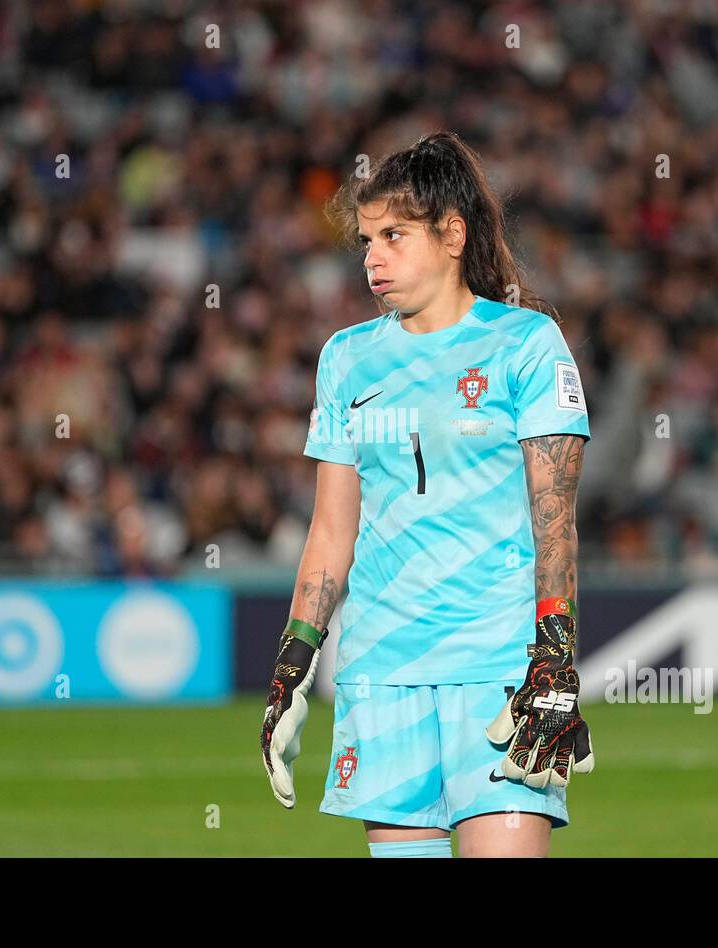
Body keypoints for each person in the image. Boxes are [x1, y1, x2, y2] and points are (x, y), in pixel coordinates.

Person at [260, 131, 595, 858]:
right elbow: (329, 531)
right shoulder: (346, 359)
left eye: (393, 236)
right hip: (383, 672)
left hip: (500, 671)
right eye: (366, 240)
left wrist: (556, 658)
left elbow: (555, 522)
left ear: (451, 234)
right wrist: (293, 666)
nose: (373, 258)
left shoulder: (527, 346)